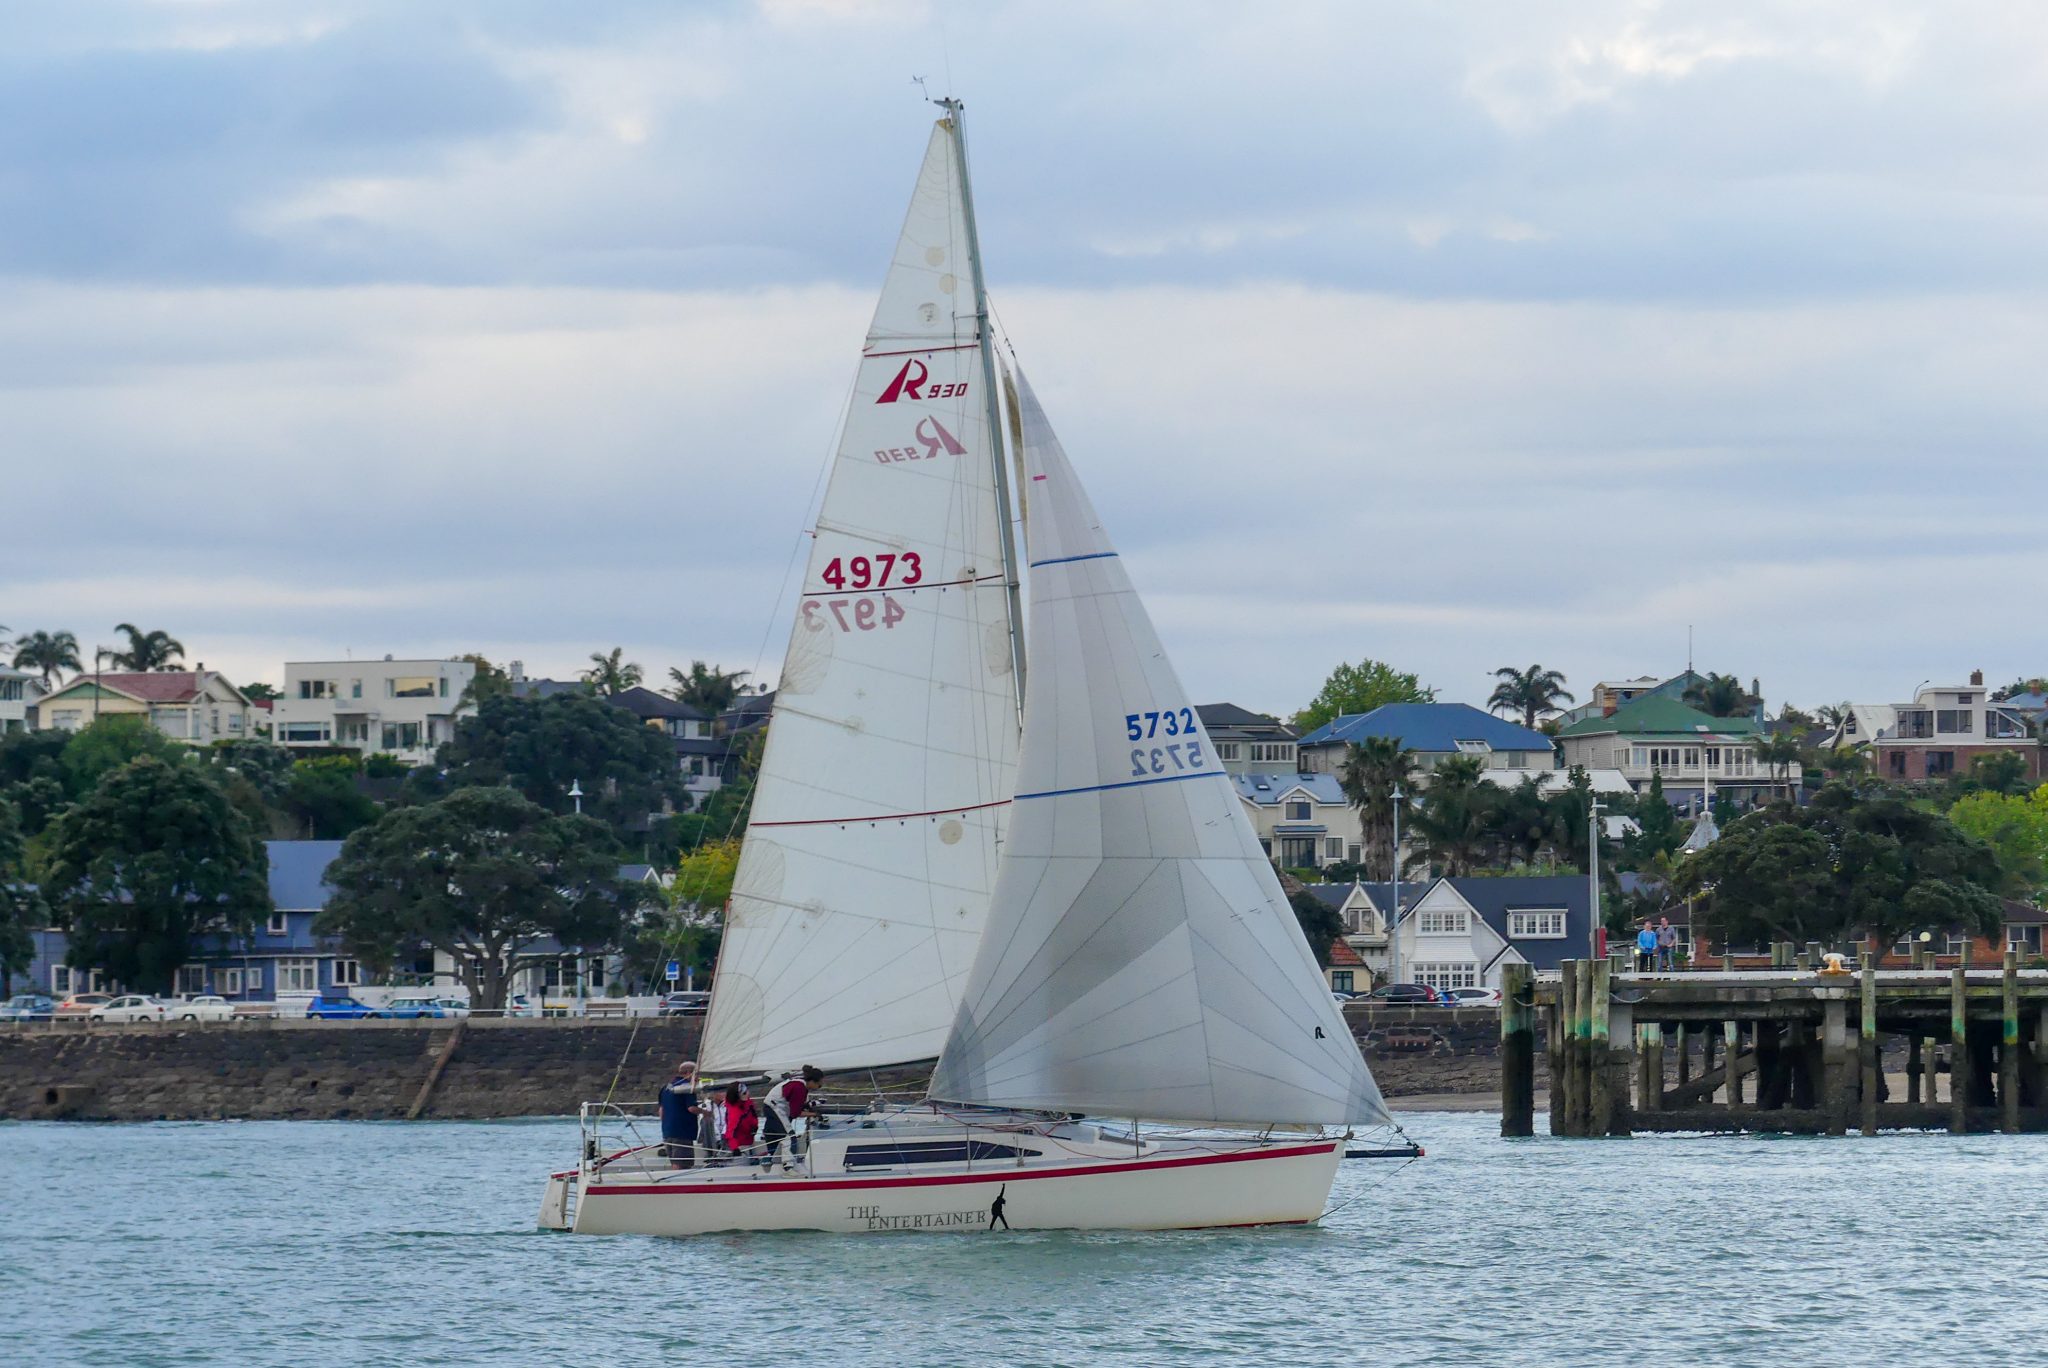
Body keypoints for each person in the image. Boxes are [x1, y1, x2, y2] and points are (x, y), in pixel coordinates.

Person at [763, 1065, 825, 1171]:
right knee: (789, 1136)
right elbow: (796, 1113)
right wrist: (814, 1115)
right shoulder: (799, 1088)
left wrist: (813, 1105)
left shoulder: (800, 1083)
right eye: (819, 1084)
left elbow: (801, 1104)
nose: (820, 1086)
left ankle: (769, 1158)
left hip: (772, 1105)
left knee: (773, 1134)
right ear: (812, 1082)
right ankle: (788, 1168)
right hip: (776, 1108)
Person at [657, 1060, 702, 1168]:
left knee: (675, 1162)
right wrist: (707, 1113)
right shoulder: (687, 1088)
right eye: (696, 1074)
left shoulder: (666, 1087)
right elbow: (691, 1108)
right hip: (682, 1131)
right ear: (689, 1073)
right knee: (683, 1164)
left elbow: (661, 1110)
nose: (697, 1078)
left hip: (667, 1131)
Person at [723, 1081, 760, 1162]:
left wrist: (755, 1126)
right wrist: (735, 1148)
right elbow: (730, 1133)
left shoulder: (748, 1103)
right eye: (744, 1093)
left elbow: (753, 1117)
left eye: (747, 1091)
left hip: (750, 1141)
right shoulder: (734, 1112)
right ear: (738, 1095)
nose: (748, 1093)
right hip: (740, 1146)